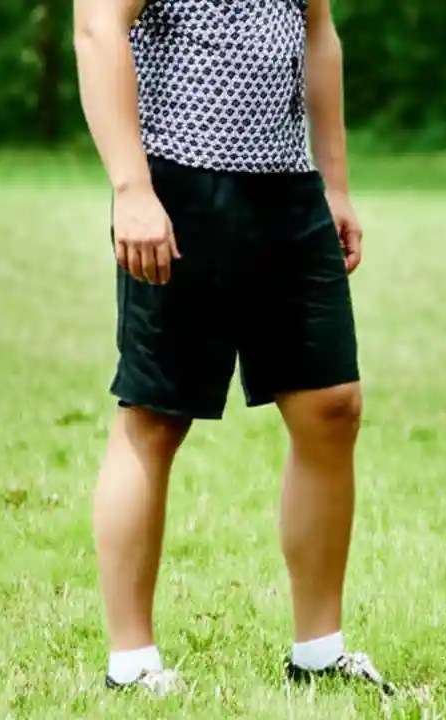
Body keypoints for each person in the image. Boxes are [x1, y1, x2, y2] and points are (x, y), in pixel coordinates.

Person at [73, 0, 390, 695]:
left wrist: (334, 183)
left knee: (331, 406)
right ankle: (132, 665)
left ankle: (319, 653)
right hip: (177, 183)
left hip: (289, 189)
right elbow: (98, 27)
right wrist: (131, 187)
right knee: (155, 415)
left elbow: (317, 32)